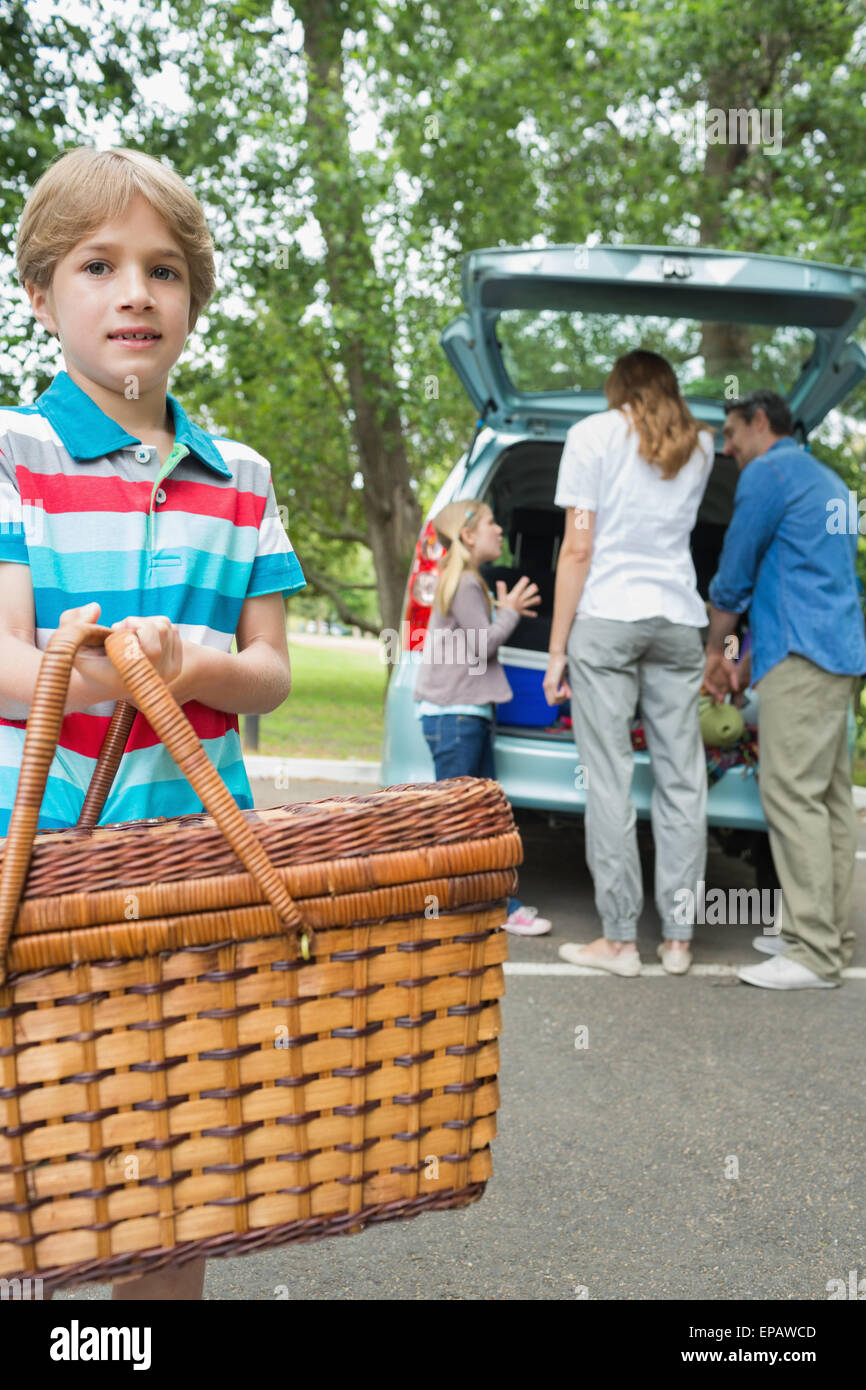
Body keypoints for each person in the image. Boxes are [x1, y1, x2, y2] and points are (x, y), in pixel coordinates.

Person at [0, 146, 306, 1296]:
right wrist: (118, 672)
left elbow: (269, 670)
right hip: (32, 869)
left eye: (164, 270)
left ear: (192, 299)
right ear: (41, 293)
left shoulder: (243, 475)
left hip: (191, 863)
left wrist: (199, 661)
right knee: (32, 1155)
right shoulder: (14, 453)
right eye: (98, 264)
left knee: (172, 1164)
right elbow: (5, 658)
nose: (136, 291)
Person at [544, 349, 715, 976]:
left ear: (618, 387)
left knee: (609, 778)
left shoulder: (590, 436)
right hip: (677, 619)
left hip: (610, 618)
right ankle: (678, 940)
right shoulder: (700, 446)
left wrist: (558, 648)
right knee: (681, 778)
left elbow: (578, 546)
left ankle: (619, 942)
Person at [703, 390, 866, 990]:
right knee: (826, 800)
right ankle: (824, 935)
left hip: (802, 656)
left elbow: (737, 572)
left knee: (791, 794)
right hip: (838, 651)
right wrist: (745, 656)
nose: (727, 446)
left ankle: (812, 952)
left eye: (730, 432)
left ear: (761, 423)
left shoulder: (769, 473)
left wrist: (713, 654)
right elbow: (800, 579)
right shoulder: (826, 482)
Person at [413, 498, 551, 935]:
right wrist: (508, 613)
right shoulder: (468, 585)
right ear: (469, 535)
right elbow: (480, 646)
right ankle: (450, 907)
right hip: (457, 718)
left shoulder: (466, 582)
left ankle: (492, 905)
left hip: (459, 715)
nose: (500, 531)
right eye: (492, 523)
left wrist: (504, 609)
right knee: (464, 819)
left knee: (480, 816)